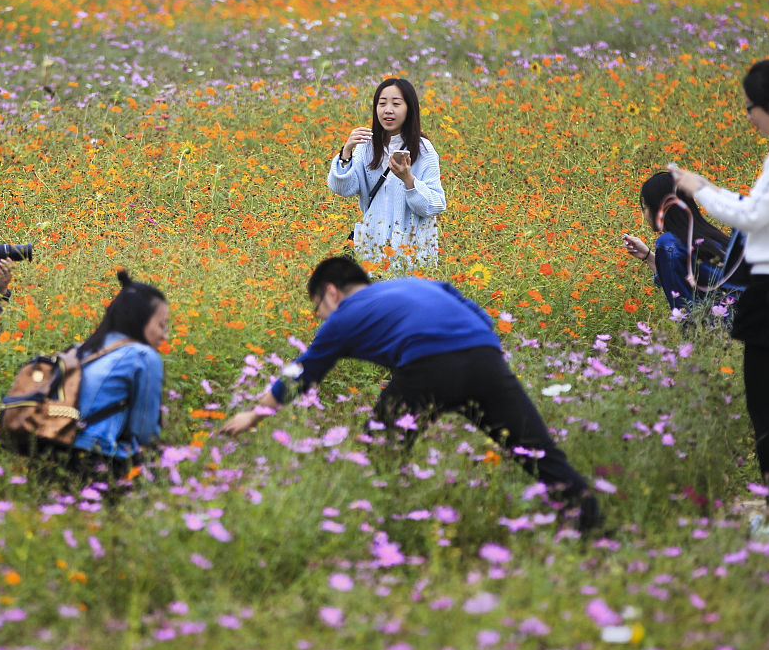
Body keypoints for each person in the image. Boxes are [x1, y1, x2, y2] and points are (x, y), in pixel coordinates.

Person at [218, 256, 602, 532]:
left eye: (318, 307)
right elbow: (482, 319)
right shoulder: (422, 284)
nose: (321, 316)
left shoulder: (345, 314)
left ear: (331, 293)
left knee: (380, 446)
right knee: (535, 448)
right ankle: (591, 525)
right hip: (486, 357)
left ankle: (385, 528)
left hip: (427, 367)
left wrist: (255, 414)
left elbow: (303, 372)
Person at [670, 51, 769, 511]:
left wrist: (699, 188)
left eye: (751, 107)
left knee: (765, 409)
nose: (749, 116)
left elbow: (753, 216)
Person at [12, 270, 168, 482]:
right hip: (95, 460)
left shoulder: (81, 350)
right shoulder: (143, 356)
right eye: (161, 325)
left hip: (48, 448)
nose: (164, 335)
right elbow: (144, 432)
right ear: (140, 320)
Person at [328, 78, 447, 269]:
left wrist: (408, 179)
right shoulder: (366, 146)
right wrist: (346, 152)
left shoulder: (423, 150)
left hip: (412, 254)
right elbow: (342, 188)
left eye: (396, 104)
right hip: (371, 248)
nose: (388, 110)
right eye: (382, 103)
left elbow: (435, 205)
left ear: (409, 109)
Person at [621, 171, 746, 323]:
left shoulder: (668, 244)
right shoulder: (708, 236)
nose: (645, 214)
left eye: (646, 207)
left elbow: (684, 311)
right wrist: (649, 257)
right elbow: (692, 278)